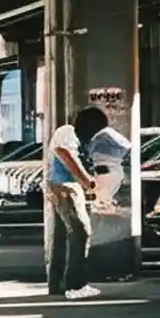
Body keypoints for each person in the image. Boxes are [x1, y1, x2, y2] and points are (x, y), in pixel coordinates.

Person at [46, 107, 110, 300]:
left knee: (62, 236)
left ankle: (57, 284)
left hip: (64, 187)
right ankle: (75, 284)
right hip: (66, 187)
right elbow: (66, 155)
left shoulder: (79, 138)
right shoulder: (67, 131)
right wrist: (87, 181)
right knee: (81, 231)